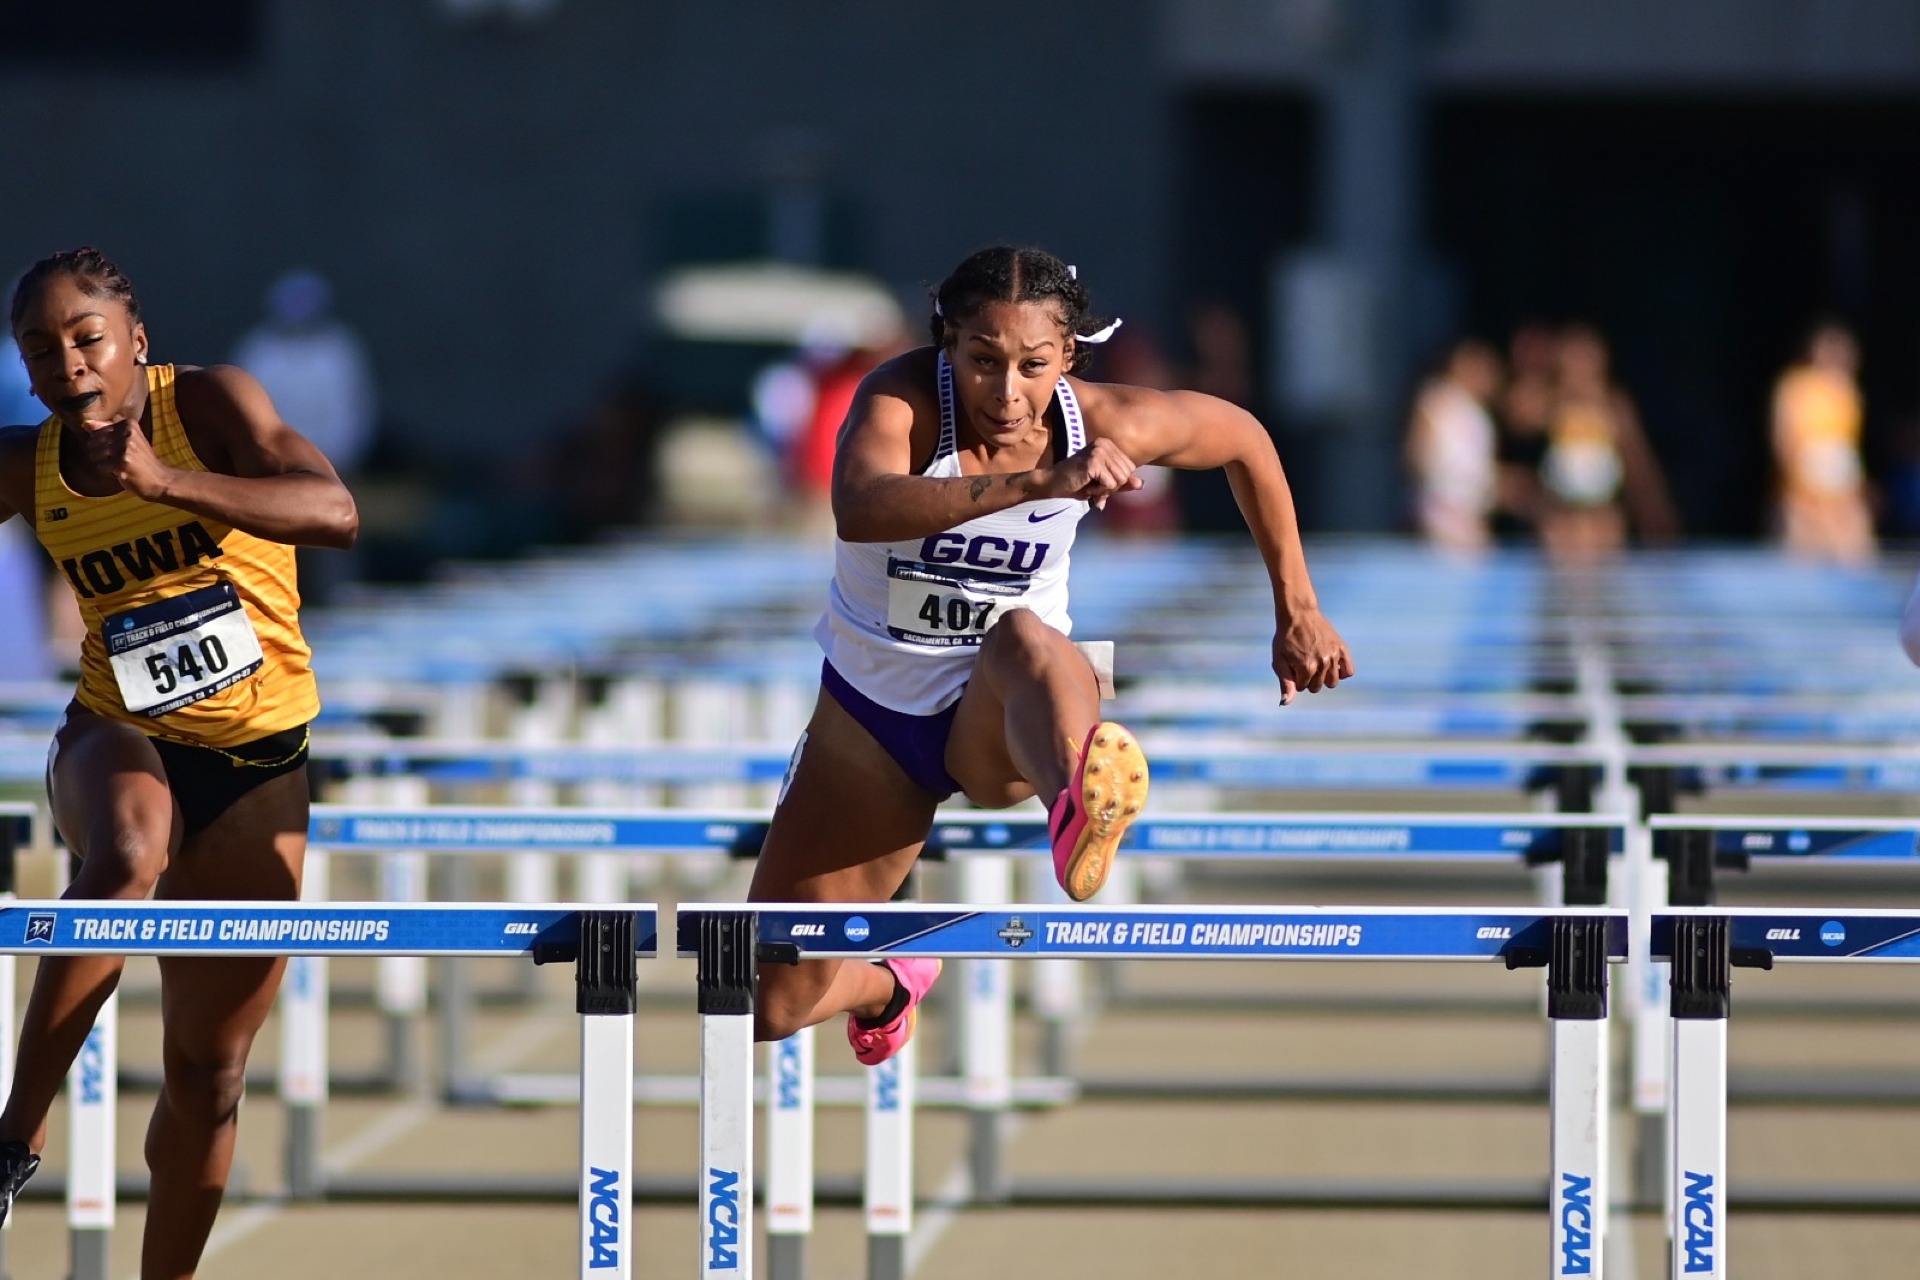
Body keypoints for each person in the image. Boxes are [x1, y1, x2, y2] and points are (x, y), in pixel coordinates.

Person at [749, 245, 1353, 1064]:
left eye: (1033, 365)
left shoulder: (1105, 419)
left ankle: (1079, 802)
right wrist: (1040, 484)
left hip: (1011, 714)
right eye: (983, 360)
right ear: (946, 343)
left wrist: (1298, 609)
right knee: (770, 1004)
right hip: (872, 721)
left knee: (1023, 636)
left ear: (1069, 356)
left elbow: (1243, 438)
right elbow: (859, 506)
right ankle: (890, 982)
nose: (1007, 392)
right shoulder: (900, 398)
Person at [0, 247, 357, 1276]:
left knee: (210, 1076)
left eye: (87, 338)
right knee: (129, 851)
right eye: (41, 350)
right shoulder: (27, 462)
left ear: (137, 342)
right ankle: (13, 1137)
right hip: (118, 733)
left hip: (259, 763)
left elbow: (334, 512)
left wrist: (163, 482)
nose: (68, 364)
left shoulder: (207, 404)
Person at [229, 269, 376, 603]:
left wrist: (336, 457)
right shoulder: (260, 351)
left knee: (333, 536)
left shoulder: (337, 350)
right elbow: (244, 406)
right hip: (272, 466)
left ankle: (335, 600)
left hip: (331, 461)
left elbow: (352, 407)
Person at [1536, 325, 1679, 563]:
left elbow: (1637, 464)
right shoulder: (1552, 403)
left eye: (1585, 360)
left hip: (1602, 511)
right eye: (1572, 360)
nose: (1579, 368)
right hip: (1563, 512)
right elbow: (1518, 413)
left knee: (1601, 565)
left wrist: (1654, 512)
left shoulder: (1613, 406)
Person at [1772, 321, 1875, 565]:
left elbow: (1849, 444)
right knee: (1804, 547)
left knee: (1854, 546)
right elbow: (1786, 437)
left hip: (1841, 482)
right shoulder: (1796, 388)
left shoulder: (1848, 392)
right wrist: (1798, 479)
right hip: (1805, 481)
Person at [1404, 339, 1502, 551]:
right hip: (1442, 506)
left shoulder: (1479, 413)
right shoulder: (1436, 400)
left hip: (1472, 507)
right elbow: (1417, 456)